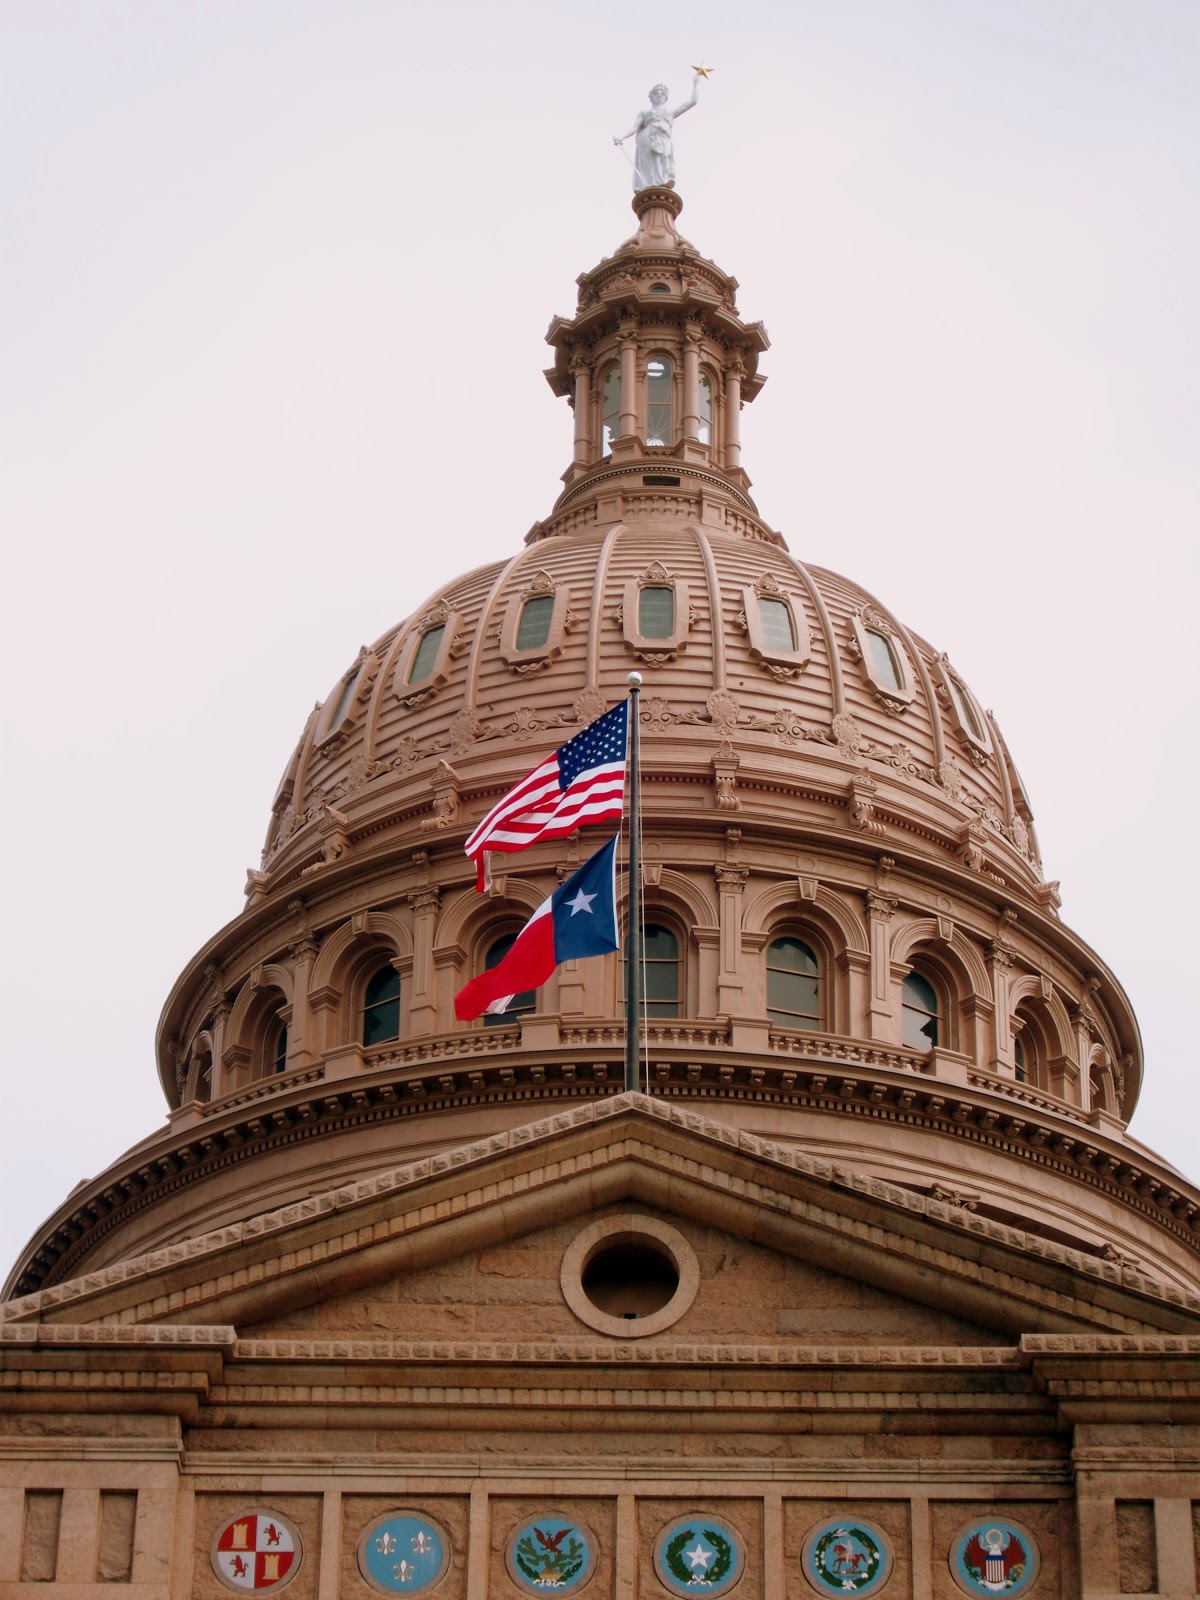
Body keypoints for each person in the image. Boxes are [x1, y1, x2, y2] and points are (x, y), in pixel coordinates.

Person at [614, 79, 701, 191]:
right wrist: (622, 137)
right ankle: (652, 184)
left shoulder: (670, 111)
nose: (659, 95)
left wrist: (696, 84)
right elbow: (635, 127)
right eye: (656, 93)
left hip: (664, 138)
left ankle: (663, 181)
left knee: (665, 157)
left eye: (662, 93)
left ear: (666, 97)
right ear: (651, 97)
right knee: (652, 161)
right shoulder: (645, 113)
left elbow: (693, 101)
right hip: (648, 137)